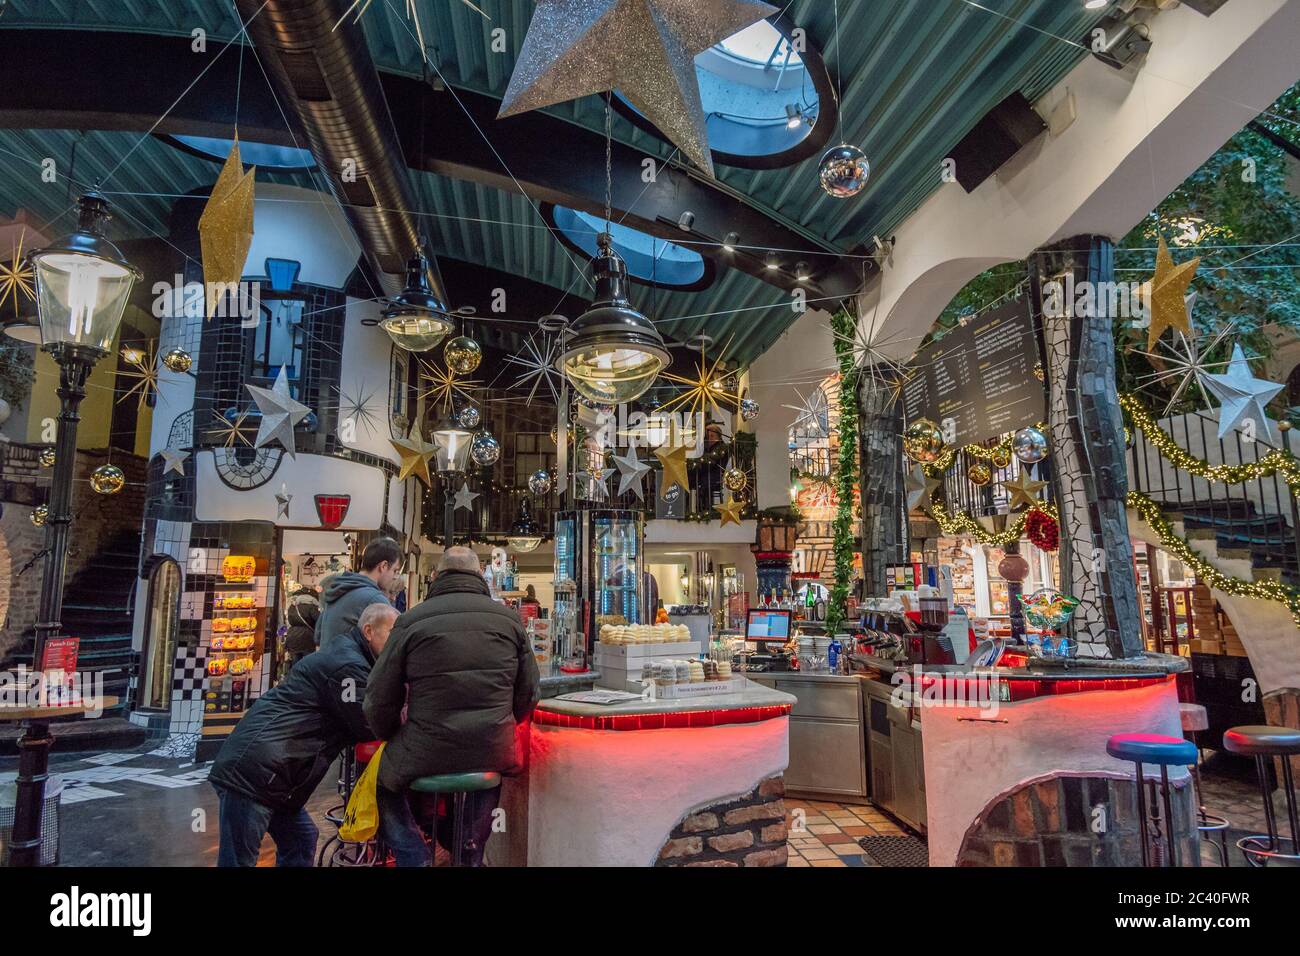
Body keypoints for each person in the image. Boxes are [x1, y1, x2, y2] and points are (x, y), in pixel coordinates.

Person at [364, 546, 540, 867]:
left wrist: (391, 733)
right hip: (493, 749)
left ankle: (414, 854)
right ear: (479, 576)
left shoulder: (410, 621)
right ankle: (469, 851)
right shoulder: (509, 620)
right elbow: (529, 693)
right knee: (488, 771)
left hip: (424, 749)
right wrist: (503, 722)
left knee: (385, 782)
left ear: (436, 577)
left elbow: (378, 698)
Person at [209, 603, 399, 867]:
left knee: (301, 839)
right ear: (368, 631)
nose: (396, 642)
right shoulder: (348, 666)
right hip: (255, 774)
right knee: (239, 860)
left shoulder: (351, 657)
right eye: (392, 633)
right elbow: (367, 724)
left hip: (272, 774)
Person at [315, 538, 401, 650]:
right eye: (395, 570)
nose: (394, 577)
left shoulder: (339, 589)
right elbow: (390, 648)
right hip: (353, 666)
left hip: (328, 663)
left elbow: (318, 637)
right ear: (383, 566)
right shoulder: (374, 599)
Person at [283, 587, 320, 672]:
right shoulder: (312, 607)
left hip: (293, 637)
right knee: (308, 665)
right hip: (307, 638)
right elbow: (319, 621)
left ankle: (295, 681)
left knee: (296, 664)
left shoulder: (292, 607)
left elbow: (289, 621)